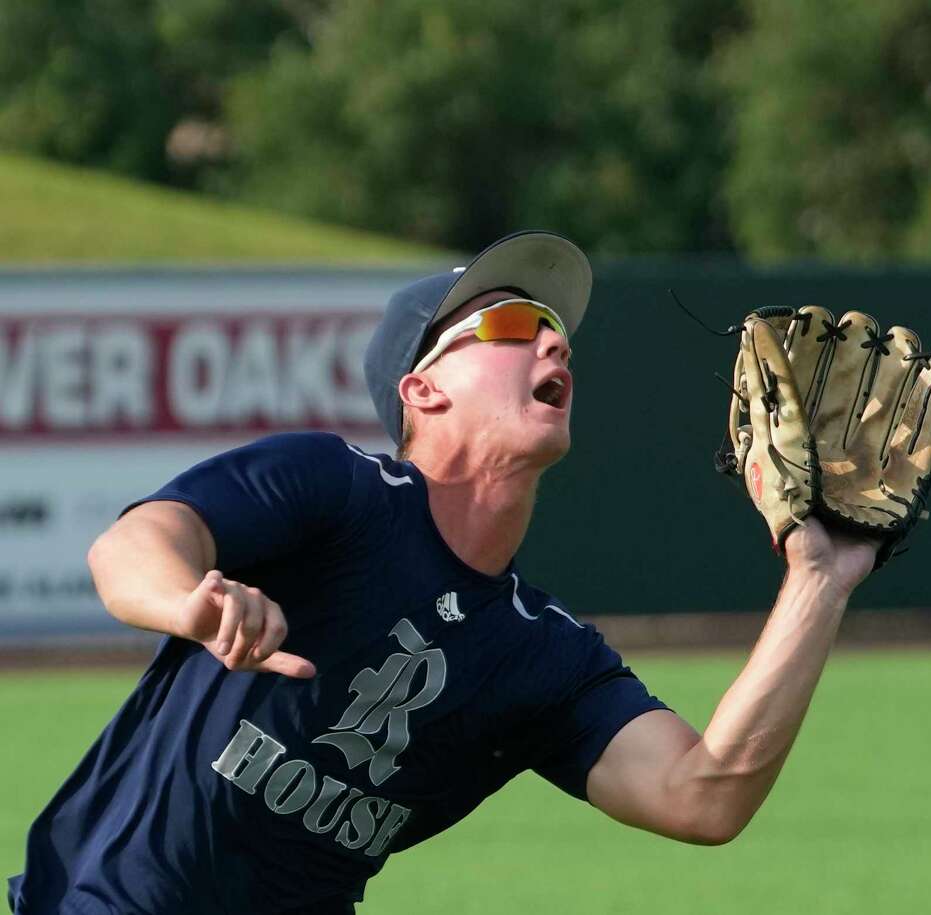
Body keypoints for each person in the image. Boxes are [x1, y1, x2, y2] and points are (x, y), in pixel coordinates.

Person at [8, 231, 877, 914]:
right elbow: (126, 549)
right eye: (509, 327)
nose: (552, 343)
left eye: (557, 332)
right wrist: (191, 602)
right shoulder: (335, 490)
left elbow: (703, 797)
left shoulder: (539, 655)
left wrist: (818, 578)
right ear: (421, 390)